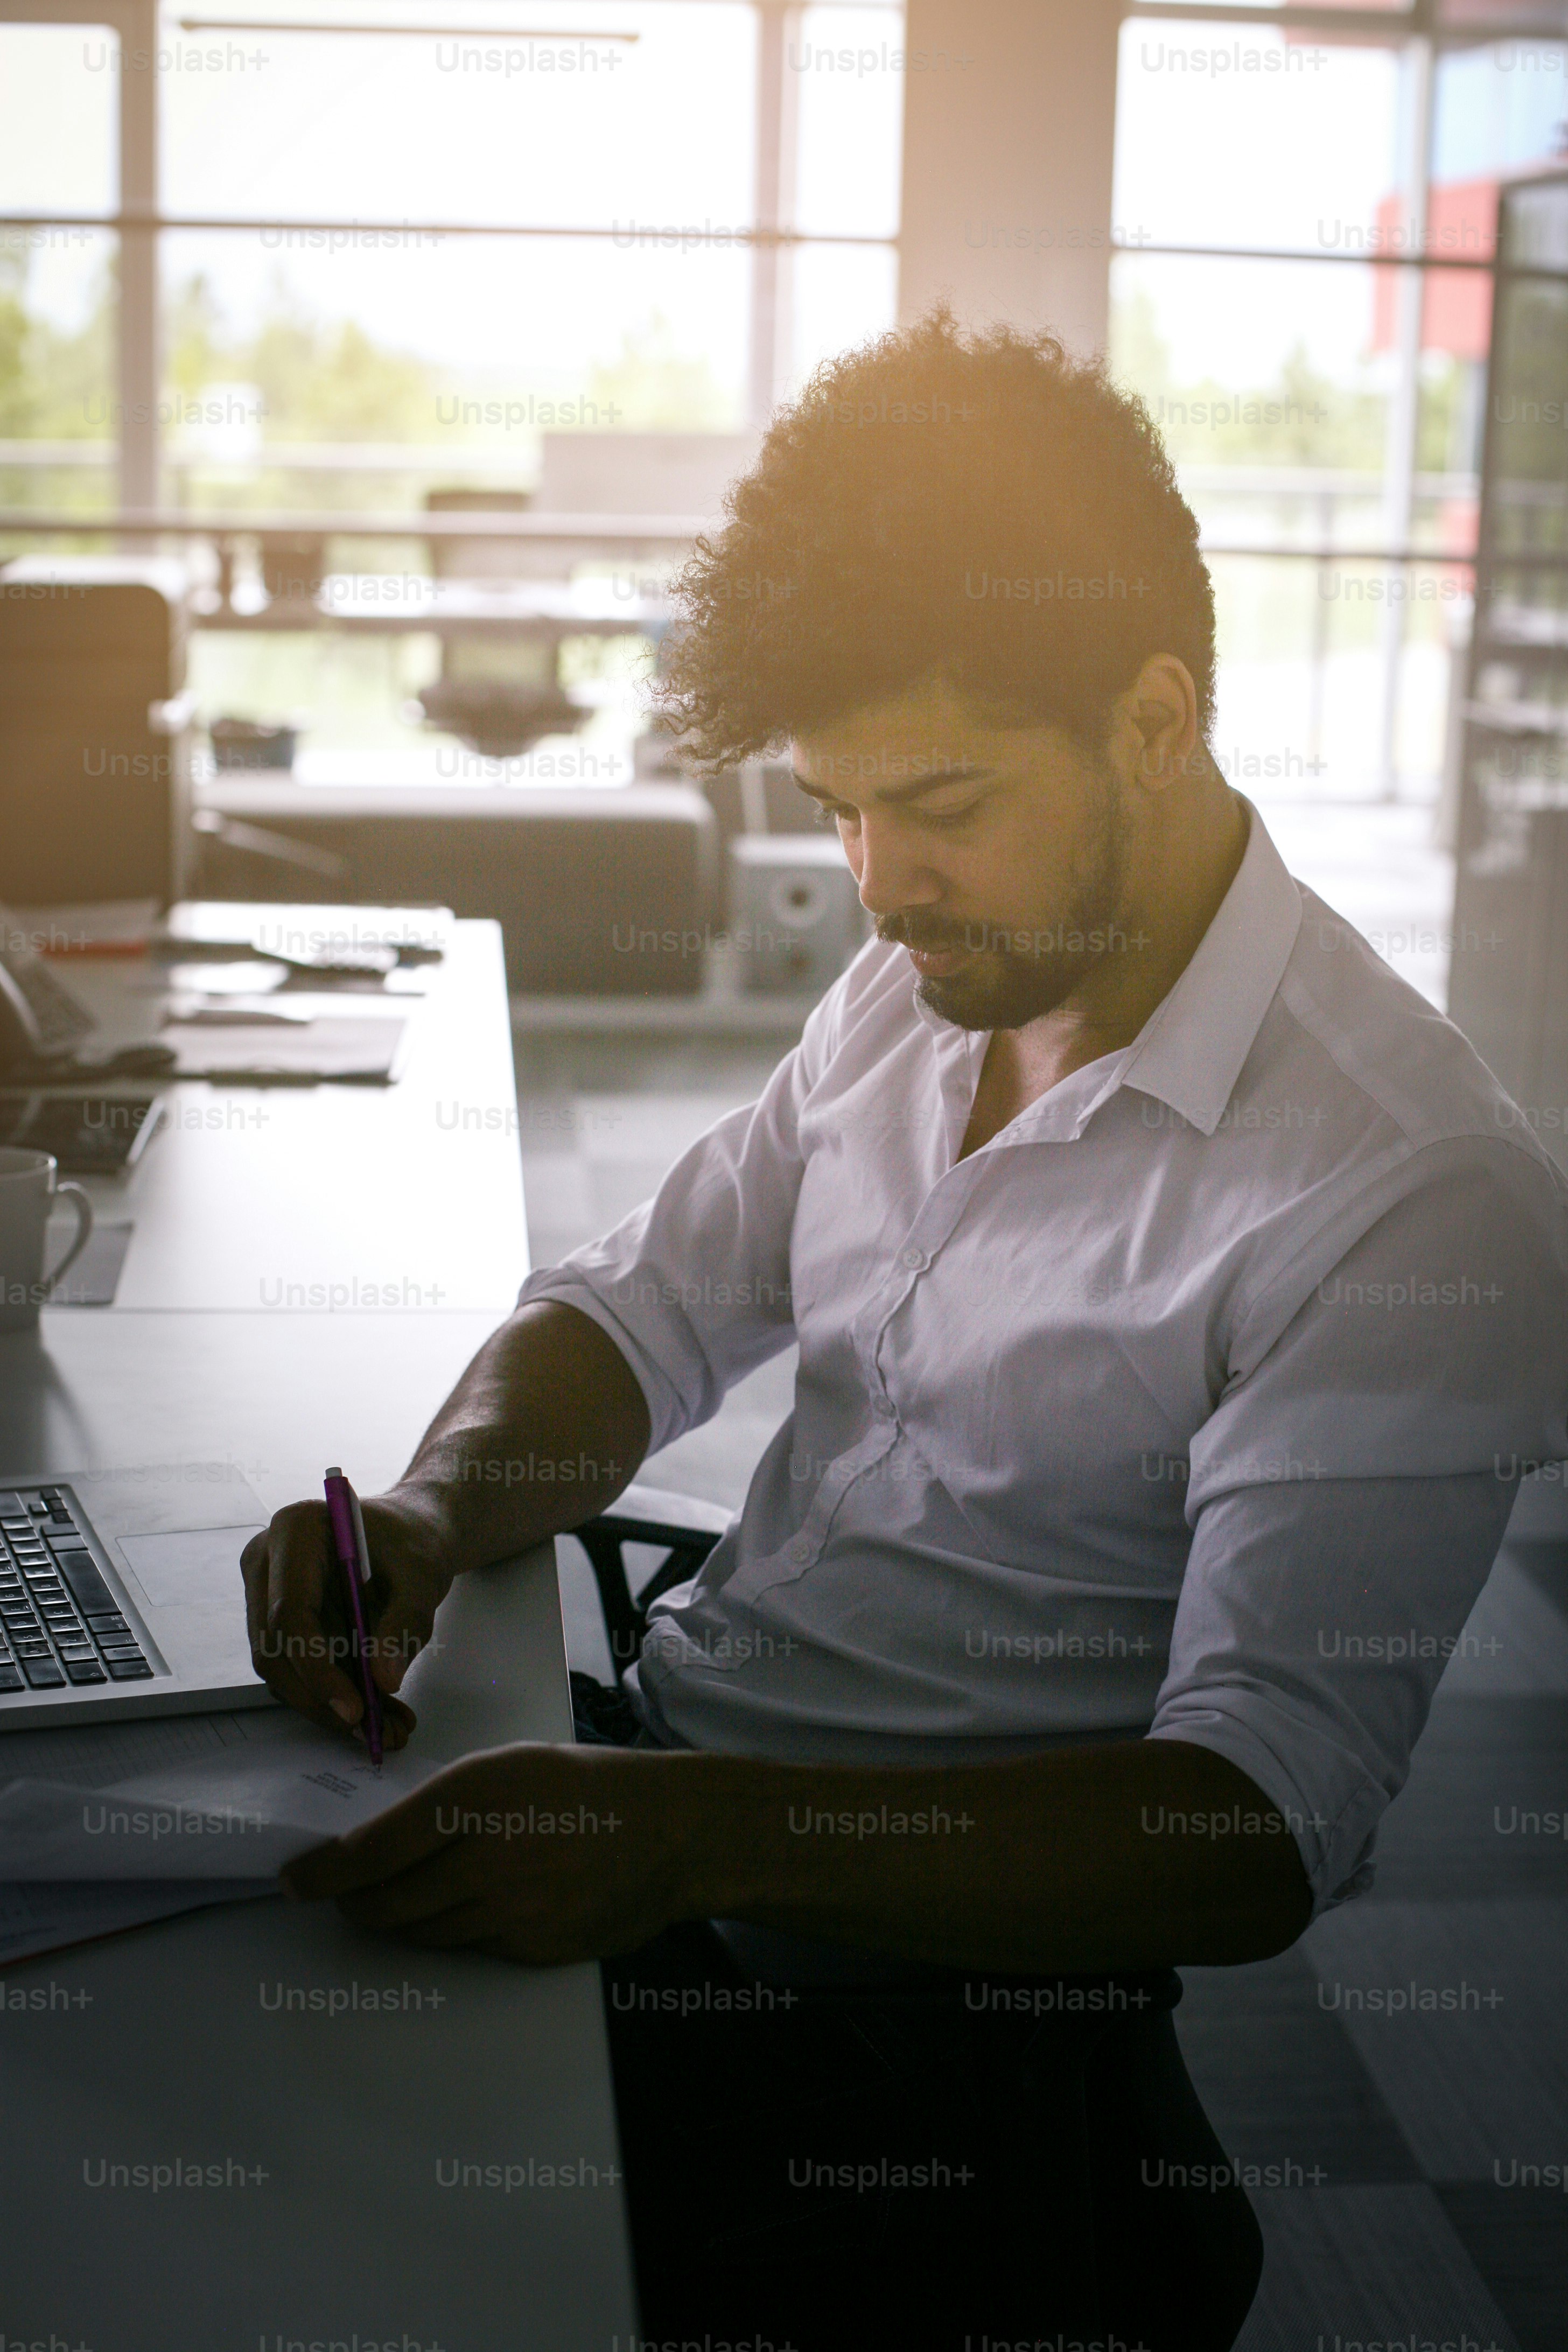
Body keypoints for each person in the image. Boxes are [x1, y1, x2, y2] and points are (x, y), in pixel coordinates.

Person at [243, 309, 1568, 2351]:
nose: (876, 883)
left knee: (281, 2224)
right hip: (672, 1827)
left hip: (906, 2025)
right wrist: (427, 1514)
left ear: (1154, 717)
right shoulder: (930, 974)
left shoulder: (1407, 1191)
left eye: (933, 799)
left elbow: (1252, 1821)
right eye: (835, 807)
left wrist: (690, 1843)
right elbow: (643, 1304)